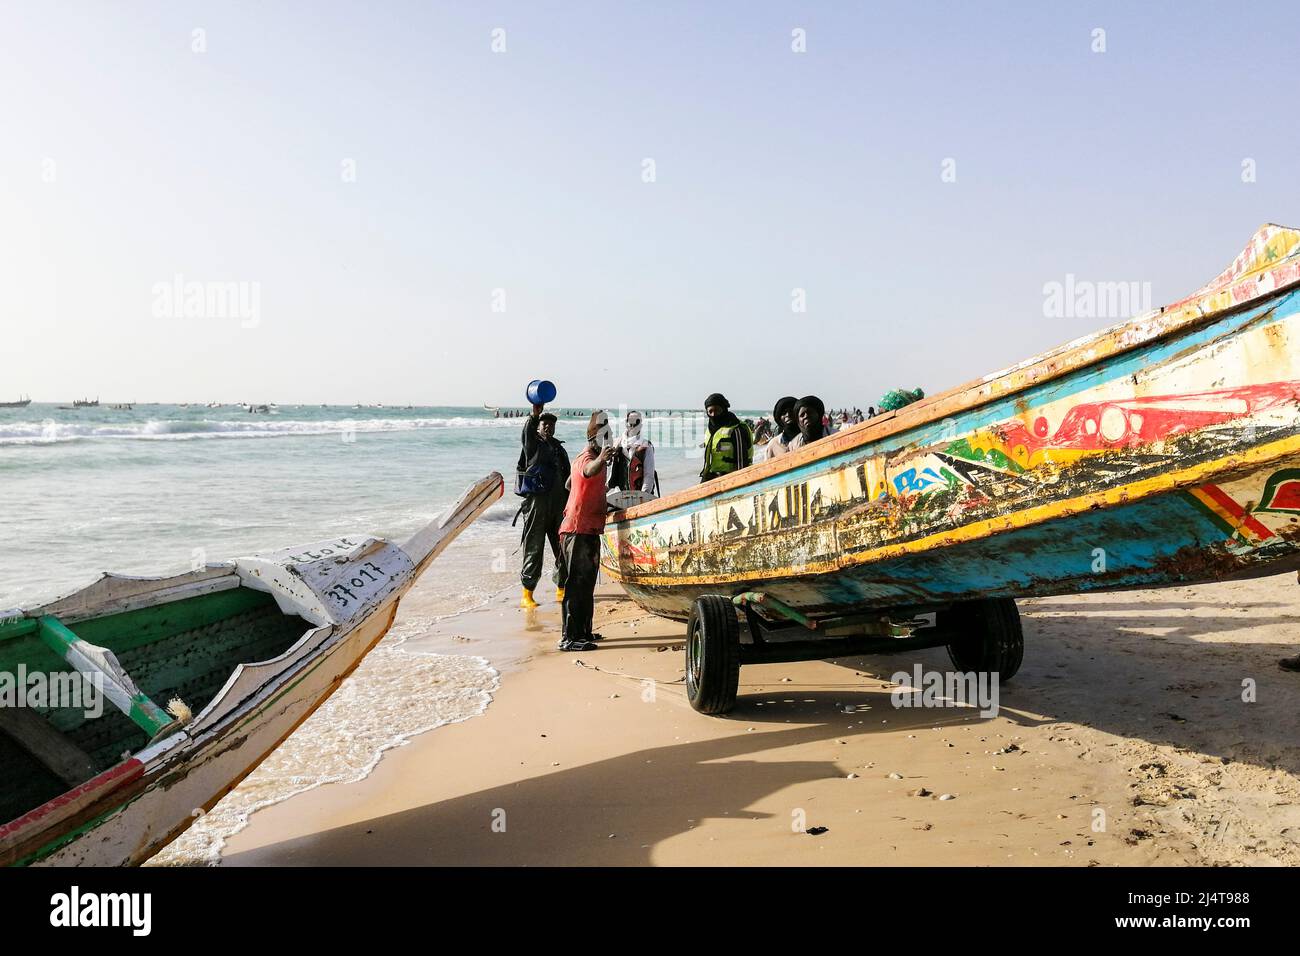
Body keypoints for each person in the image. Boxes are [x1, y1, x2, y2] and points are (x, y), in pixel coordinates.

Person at [558, 411, 616, 651]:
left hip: (589, 527)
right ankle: (569, 638)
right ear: (594, 438)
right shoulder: (586, 458)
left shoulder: (587, 458)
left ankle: (584, 631)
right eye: (604, 437)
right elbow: (588, 471)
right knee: (576, 584)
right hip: (577, 529)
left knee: (587, 583)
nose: (608, 442)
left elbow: (569, 484)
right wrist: (601, 459)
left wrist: (600, 500)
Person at [516, 404, 570, 608]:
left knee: (563, 548)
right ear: (538, 427)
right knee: (533, 549)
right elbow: (526, 433)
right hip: (536, 505)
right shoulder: (533, 446)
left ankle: (561, 588)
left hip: (559, 506)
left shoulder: (559, 449)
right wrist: (534, 415)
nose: (548, 427)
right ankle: (527, 594)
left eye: (551, 425)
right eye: (544, 424)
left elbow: (569, 479)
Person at [700, 392, 753, 482]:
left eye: (717, 410)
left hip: (731, 478)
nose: (713, 415)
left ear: (724, 410)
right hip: (712, 477)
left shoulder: (736, 429)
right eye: (710, 411)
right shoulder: (709, 430)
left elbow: (742, 463)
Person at [609, 410, 658, 495]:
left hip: (639, 495)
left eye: (637, 421)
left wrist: (643, 496)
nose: (633, 424)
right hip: (620, 495)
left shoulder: (646, 446)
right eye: (630, 420)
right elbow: (608, 469)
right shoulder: (617, 443)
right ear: (626, 423)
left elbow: (648, 476)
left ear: (641, 425)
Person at [760, 395, 799, 462]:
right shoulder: (773, 444)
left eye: (791, 411)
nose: (788, 415)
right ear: (779, 418)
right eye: (784, 413)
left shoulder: (808, 438)